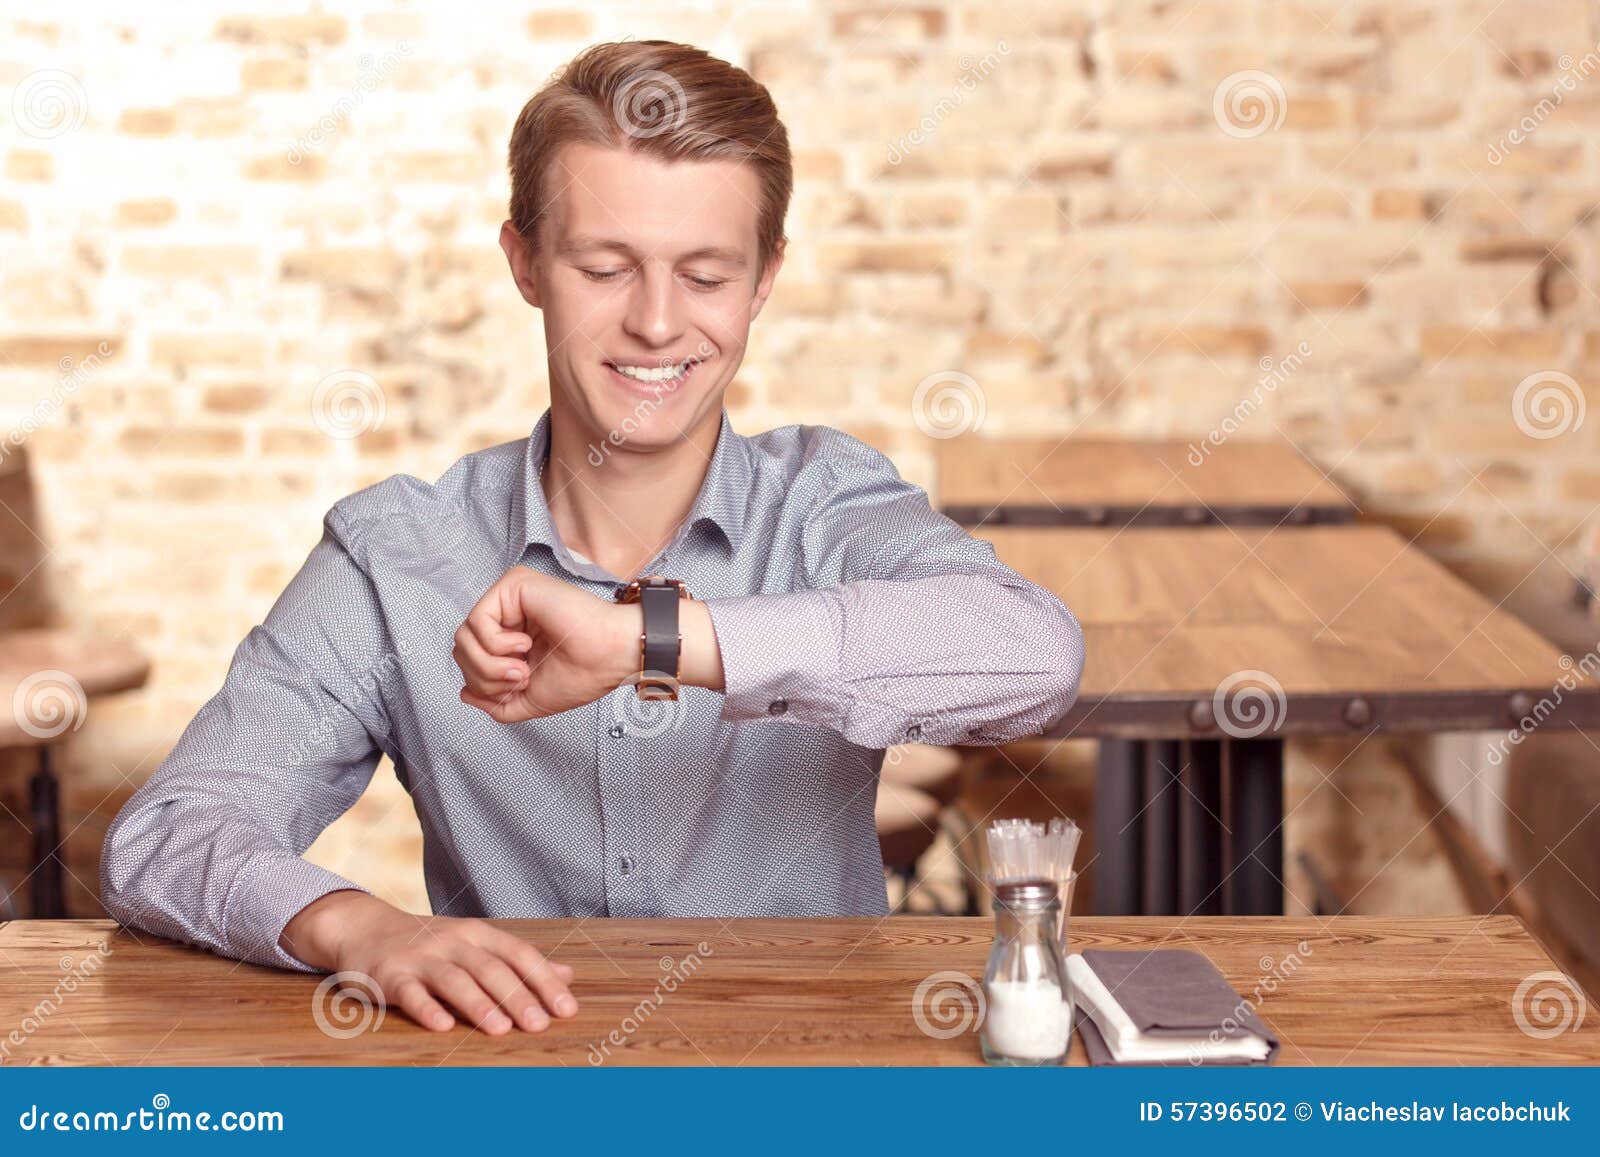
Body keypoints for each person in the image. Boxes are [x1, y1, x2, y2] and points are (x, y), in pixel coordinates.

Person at [100, 40, 1085, 1037]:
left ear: (763, 279)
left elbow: (1034, 654)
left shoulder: (826, 503)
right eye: (605, 267)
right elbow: (169, 835)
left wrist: (648, 641)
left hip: (812, 1078)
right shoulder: (398, 552)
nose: (656, 323)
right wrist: (356, 926)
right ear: (525, 263)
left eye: (705, 274)